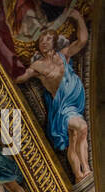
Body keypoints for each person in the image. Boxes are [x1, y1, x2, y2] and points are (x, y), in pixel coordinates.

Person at [18, 15, 90, 183]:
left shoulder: (64, 55)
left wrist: (78, 18)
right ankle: (85, 169)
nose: (44, 41)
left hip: (75, 104)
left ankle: (80, 174)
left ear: (54, 41)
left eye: (48, 38)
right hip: (62, 109)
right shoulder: (38, 66)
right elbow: (21, 78)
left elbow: (83, 40)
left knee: (75, 138)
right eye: (41, 39)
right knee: (82, 128)